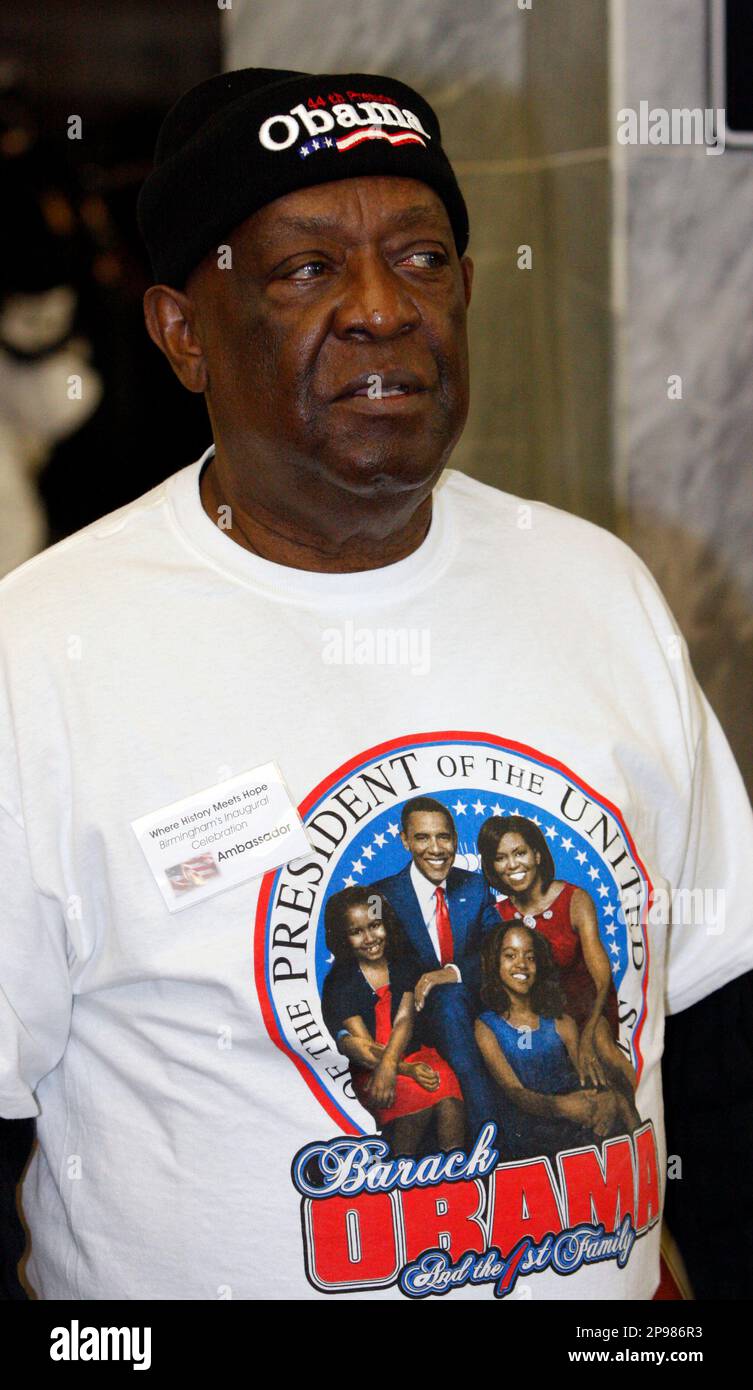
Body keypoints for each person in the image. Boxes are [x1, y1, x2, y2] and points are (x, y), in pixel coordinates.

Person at [1, 65, 752, 1302]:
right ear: (183, 333)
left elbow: (719, 1031)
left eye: (422, 259)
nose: (381, 310)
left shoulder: (597, 588)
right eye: (305, 270)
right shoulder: (43, 654)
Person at [478, 814, 636, 1094]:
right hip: (539, 1014)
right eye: (501, 857)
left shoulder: (575, 900)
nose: (512, 864)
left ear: (537, 855)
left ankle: (638, 1116)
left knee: (604, 1050)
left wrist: (587, 1035)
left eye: (520, 853)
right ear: (492, 866)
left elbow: (601, 979)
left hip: (587, 1007)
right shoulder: (497, 915)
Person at [370, 795, 499, 1138]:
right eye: (423, 838)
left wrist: (450, 974)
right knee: (448, 1002)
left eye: (443, 837)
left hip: (475, 1000)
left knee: (452, 998)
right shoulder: (379, 897)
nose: (436, 848)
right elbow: (377, 969)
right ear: (405, 840)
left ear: (456, 840)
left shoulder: (474, 886)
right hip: (412, 1016)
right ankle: (492, 1134)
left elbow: (497, 950)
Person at [475, 923, 640, 1163]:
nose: (521, 964)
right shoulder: (486, 1026)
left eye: (529, 957)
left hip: (577, 1115)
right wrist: (562, 1107)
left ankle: (640, 1167)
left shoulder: (562, 1022)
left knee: (619, 1103)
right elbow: (514, 1091)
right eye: (510, 955)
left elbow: (587, 1078)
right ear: (494, 963)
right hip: (532, 1123)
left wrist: (606, 1099)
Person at [320, 885, 464, 1154]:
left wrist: (402, 1065)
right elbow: (361, 1047)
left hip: (411, 1053)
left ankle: (456, 1168)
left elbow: (404, 1021)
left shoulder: (403, 965)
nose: (369, 937)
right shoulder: (341, 982)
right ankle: (400, 1171)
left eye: (375, 925)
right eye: (356, 931)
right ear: (343, 937)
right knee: (415, 1103)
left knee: (448, 1092)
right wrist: (398, 1069)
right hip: (373, 1067)